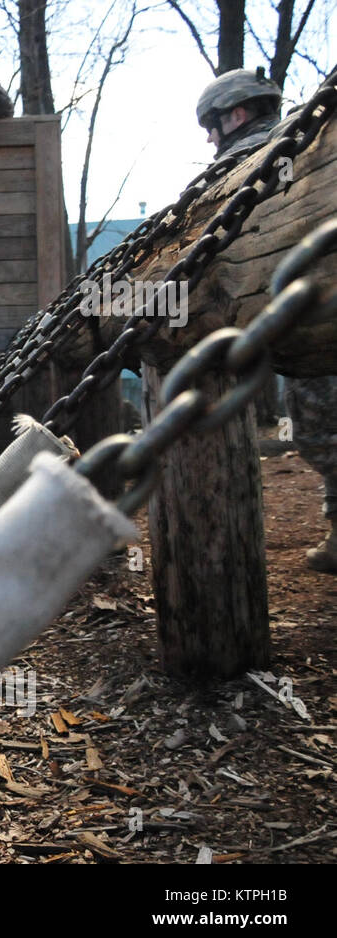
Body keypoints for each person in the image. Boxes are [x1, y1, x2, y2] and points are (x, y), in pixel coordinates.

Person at [195, 69, 337, 572]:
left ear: (236, 114)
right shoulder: (311, 137)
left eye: (211, 125)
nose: (210, 139)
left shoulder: (242, 164)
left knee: (320, 430)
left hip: (313, 320)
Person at [196, 66, 283, 158]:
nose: (209, 139)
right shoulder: (293, 137)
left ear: (238, 116)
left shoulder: (234, 160)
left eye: (210, 129)